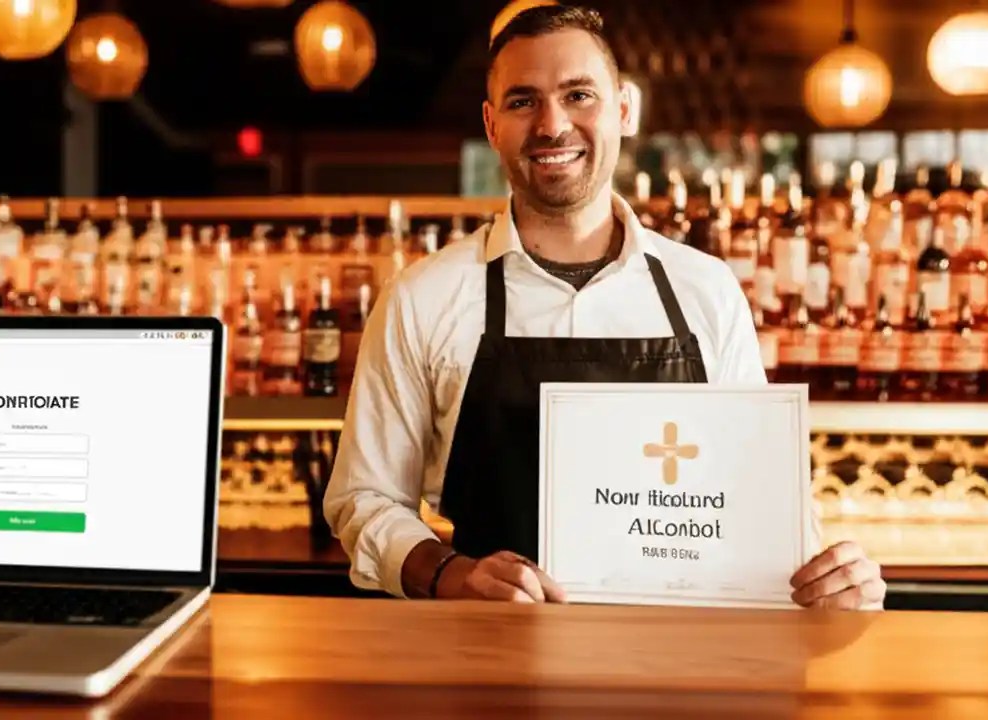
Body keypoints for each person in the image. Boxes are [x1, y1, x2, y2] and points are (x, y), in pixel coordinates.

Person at [322, 5, 885, 609]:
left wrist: (833, 580)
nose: (551, 124)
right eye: (522, 101)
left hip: (677, 662)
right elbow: (366, 500)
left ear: (623, 109)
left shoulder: (707, 291)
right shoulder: (422, 298)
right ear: (491, 125)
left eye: (578, 95)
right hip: (488, 662)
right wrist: (448, 574)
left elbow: (757, 498)